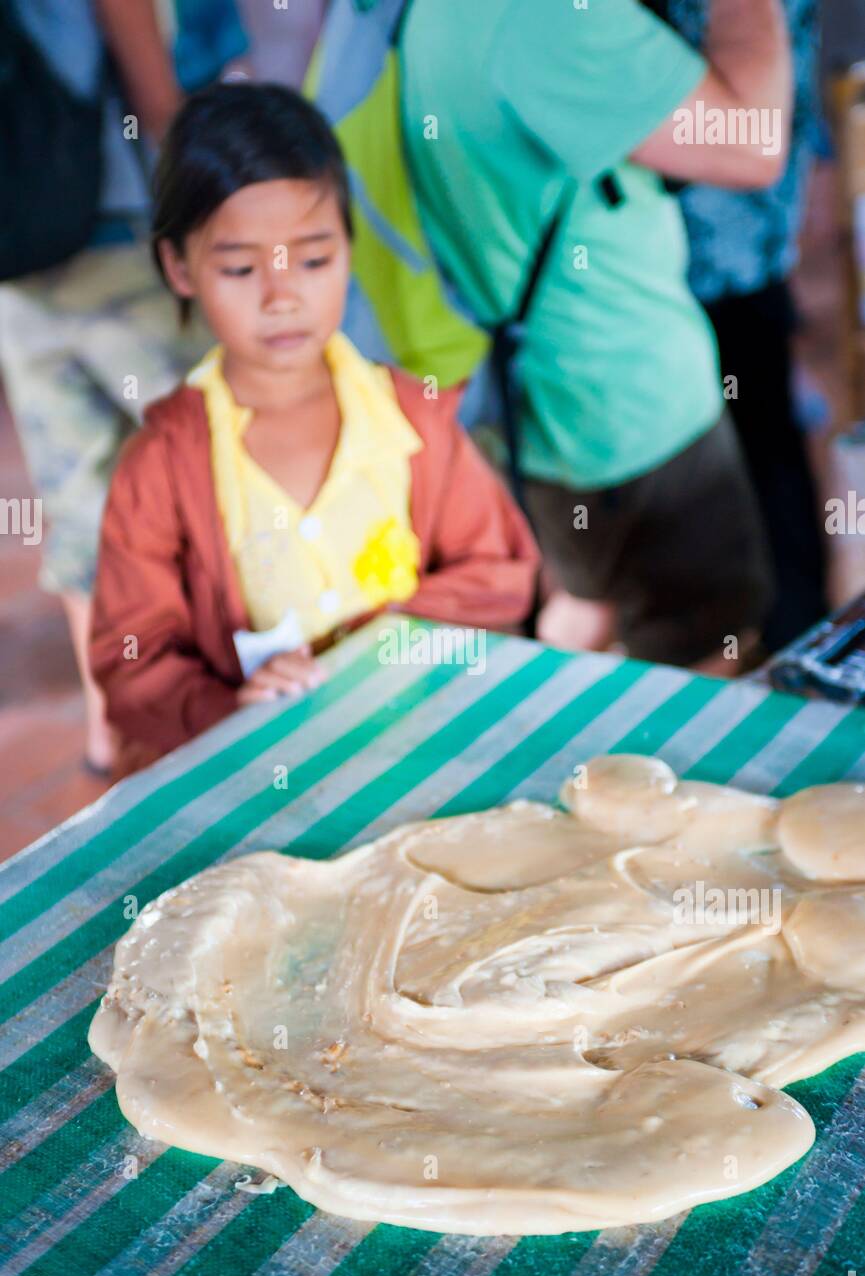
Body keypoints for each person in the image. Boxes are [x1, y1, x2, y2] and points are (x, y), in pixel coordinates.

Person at [88, 83, 539, 771]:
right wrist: (225, 710)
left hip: (425, 756)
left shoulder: (410, 418)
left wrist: (370, 647)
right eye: (240, 266)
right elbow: (133, 658)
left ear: (350, 250)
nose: (281, 296)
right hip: (266, 783)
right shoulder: (160, 466)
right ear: (178, 266)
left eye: (313, 259)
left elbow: (497, 573)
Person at [397, 0, 793, 671]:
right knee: (710, 659)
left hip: (544, 401)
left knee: (587, 610)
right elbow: (753, 144)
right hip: (632, 406)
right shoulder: (554, 19)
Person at [0, 0, 248, 773]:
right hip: (117, 234)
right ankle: (233, 718)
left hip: (18, 258)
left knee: (81, 500)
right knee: (218, 474)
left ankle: (110, 734)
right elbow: (131, 28)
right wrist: (192, 192)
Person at [665, 0, 826, 652]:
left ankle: (791, 655)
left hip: (726, 257)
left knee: (757, 473)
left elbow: (763, 135)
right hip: (692, 258)